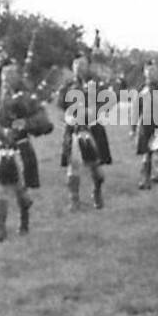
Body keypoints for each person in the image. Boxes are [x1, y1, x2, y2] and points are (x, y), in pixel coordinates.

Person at [0, 60, 52, 241]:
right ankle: (0, 228)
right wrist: (1, 130)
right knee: (1, 189)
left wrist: (25, 124)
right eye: (4, 75)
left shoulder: (28, 96)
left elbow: (43, 119)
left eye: (11, 75)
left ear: (18, 77)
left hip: (20, 147)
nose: (6, 78)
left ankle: (24, 220)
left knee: (20, 189)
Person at [56, 50, 113, 210]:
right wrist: (68, 119)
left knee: (96, 170)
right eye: (75, 64)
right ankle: (74, 200)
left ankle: (97, 191)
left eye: (82, 64)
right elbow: (60, 109)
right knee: (72, 167)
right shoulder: (67, 87)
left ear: (88, 66)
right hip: (73, 130)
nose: (78, 67)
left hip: (94, 129)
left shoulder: (98, 84)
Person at [131, 59, 158, 189]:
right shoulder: (141, 88)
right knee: (146, 154)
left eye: (153, 70)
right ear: (144, 72)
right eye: (148, 70)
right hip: (145, 124)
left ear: (157, 72)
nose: (150, 73)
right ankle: (145, 180)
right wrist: (133, 128)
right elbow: (135, 109)